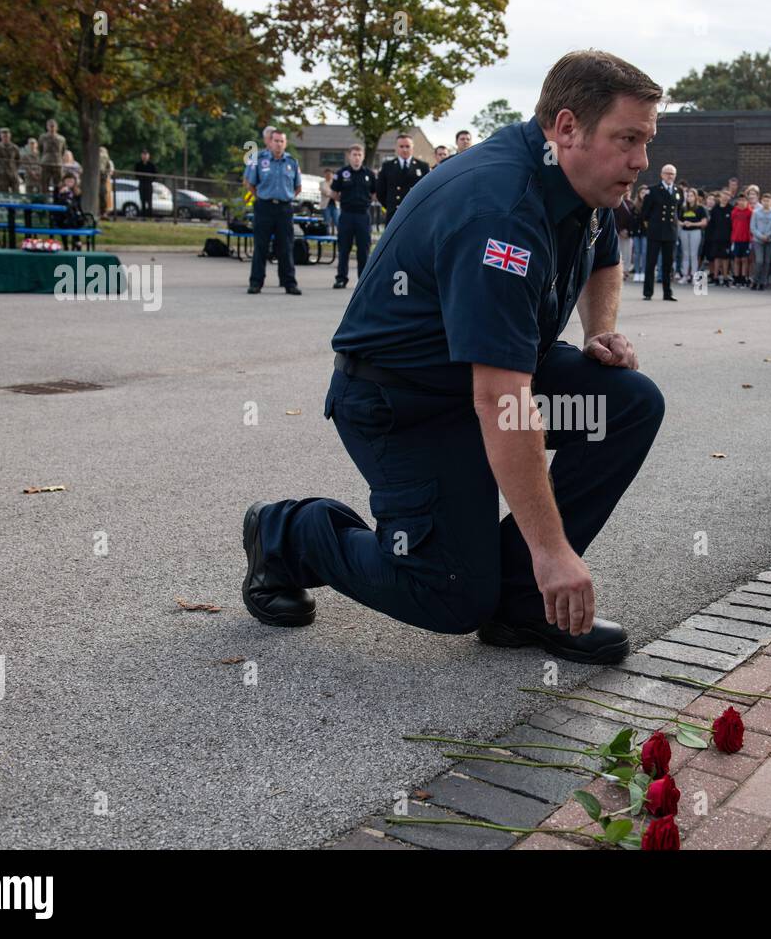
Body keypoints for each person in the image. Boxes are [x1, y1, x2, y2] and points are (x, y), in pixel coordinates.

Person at [241, 50, 666, 664]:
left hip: (482, 378)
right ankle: (286, 535)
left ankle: (523, 603)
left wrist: (601, 329)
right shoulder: (499, 214)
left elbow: (603, 253)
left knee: (625, 404)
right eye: (628, 139)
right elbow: (501, 402)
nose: (640, 161)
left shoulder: (585, 178)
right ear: (567, 128)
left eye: (646, 140)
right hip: (403, 402)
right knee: (450, 593)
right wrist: (553, 551)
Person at [243, 129, 303, 296]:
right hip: (264, 207)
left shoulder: (292, 162)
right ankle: (256, 282)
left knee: (286, 247)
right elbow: (251, 184)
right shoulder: (260, 160)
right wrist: (263, 197)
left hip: (284, 208)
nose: (278, 144)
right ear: (270, 142)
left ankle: (289, 283)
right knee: (260, 246)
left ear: (285, 143)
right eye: (275, 141)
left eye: (281, 141)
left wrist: (286, 197)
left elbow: (298, 187)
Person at [332, 143, 375, 289]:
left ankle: (363, 280)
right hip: (347, 215)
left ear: (363, 157)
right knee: (344, 248)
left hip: (363, 215)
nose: (357, 158)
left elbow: (374, 194)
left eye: (359, 155)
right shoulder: (341, 173)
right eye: (354, 155)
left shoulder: (369, 174)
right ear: (349, 156)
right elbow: (334, 193)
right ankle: (341, 278)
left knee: (364, 249)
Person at [639, 162, 680, 300]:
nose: (670, 176)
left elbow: (677, 211)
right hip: (655, 232)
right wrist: (650, 227)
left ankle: (667, 293)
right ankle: (648, 293)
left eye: (672, 174)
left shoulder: (677, 191)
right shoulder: (653, 190)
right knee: (651, 263)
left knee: (668, 265)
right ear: (662, 175)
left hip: (670, 232)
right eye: (667, 173)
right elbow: (645, 213)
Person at [375, 132, 429, 224]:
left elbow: (427, 190)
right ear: (396, 148)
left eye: (407, 146)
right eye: (401, 146)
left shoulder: (422, 166)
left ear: (412, 147)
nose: (404, 149)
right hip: (394, 213)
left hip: (415, 212)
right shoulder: (387, 166)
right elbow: (380, 191)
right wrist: (390, 205)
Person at [677, 187, 706, 284]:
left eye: (691, 196)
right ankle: (685, 275)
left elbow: (704, 222)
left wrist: (692, 224)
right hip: (684, 232)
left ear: (695, 197)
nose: (689, 198)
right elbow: (678, 219)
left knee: (693, 254)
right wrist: (681, 223)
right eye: (688, 196)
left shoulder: (700, 208)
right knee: (685, 254)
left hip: (695, 232)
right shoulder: (683, 208)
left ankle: (694, 275)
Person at [52, 172, 86, 250]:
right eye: (68, 181)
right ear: (64, 181)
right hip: (61, 216)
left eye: (72, 181)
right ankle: (75, 242)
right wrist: (61, 194)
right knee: (67, 219)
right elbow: (55, 203)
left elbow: (78, 206)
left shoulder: (77, 192)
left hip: (73, 217)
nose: (69, 183)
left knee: (72, 217)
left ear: (75, 182)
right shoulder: (58, 189)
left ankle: (75, 242)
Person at [706, 189, 732, 286]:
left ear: (729, 197)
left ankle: (725, 278)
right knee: (716, 258)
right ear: (720, 196)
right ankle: (716, 278)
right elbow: (711, 225)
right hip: (715, 238)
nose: (725, 197)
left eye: (727, 195)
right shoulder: (715, 209)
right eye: (724, 194)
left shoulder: (731, 209)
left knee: (725, 259)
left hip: (727, 238)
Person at [750, 193, 771, 290]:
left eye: (768, 201)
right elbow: (752, 227)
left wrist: (768, 236)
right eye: (764, 200)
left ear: (770, 201)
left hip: (769, 240)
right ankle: (755, 281)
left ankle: (762, 282)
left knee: (767, 262)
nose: (766, 202)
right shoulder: (756, 212)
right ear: (761, 201)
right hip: (758, 240)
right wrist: (761, 236)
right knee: (759, 261)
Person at [612, 191, 638, 280]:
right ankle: (618, 271)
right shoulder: (616, 203)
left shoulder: (631, 204)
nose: (627, 194)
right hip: (618, 232)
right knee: (618, 252)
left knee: (628, 253)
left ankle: (626, 270)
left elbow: (634, 219)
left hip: (628, 233)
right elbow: (613, 217)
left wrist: (629, 231)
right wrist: (619, 230)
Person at [38, 119, 66, 195]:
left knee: (58, 184)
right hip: (46, 162)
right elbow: (40, 149)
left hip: (57, 163)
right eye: (50, 126)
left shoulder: (61, 139)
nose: (52, 128)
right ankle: (44, 200)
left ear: (56, 127)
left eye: (53, 126)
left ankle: (57, 199)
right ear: (47, 127)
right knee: (44, 183)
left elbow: (63, 151)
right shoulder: (43, 137)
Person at [0, 128, 20, 194]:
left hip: (13, 173)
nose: (5, 138)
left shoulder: (15, 147)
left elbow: (18, 160)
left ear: (10, 136)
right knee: (2, 194)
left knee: (16, 193)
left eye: (7, 136)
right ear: (1, 136)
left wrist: (15, 168)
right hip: (1, 174)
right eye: (4, 136)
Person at [134, 149, 158, 219]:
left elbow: (155, 174)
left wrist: (150, 180)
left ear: (148, 156)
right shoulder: (138, 164)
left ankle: (150, 216)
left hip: (149, 184)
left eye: (146, 155)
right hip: (141, 184)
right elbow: (136, 174)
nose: (144, 156)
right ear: (141, 156)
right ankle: (143, 216)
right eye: (143, 155)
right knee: (143, 200)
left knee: (149, 201)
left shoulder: (151, 165)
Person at [320, 167, 339, 234]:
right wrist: (334, 194)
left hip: (335, 205)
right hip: (326, 206)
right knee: (327, 222)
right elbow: (326, 192)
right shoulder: (322, 183)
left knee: (337, 221)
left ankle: (340, 236)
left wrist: (335, 194)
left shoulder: (336, 183)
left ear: (332, 175)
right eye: (327, 174)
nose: (328, 175)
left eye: (330, 174)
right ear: (324, 174)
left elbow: (338, 192)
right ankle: (326, 236)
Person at [97, 146, 114, 218]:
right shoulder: (96, 157)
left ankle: (103, 212)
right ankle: (101, 212)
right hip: (98, 178)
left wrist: (106, 173)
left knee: (103, 194)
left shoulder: (106, 158)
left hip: (103, 178)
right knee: (101, 194)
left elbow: (109, 169)